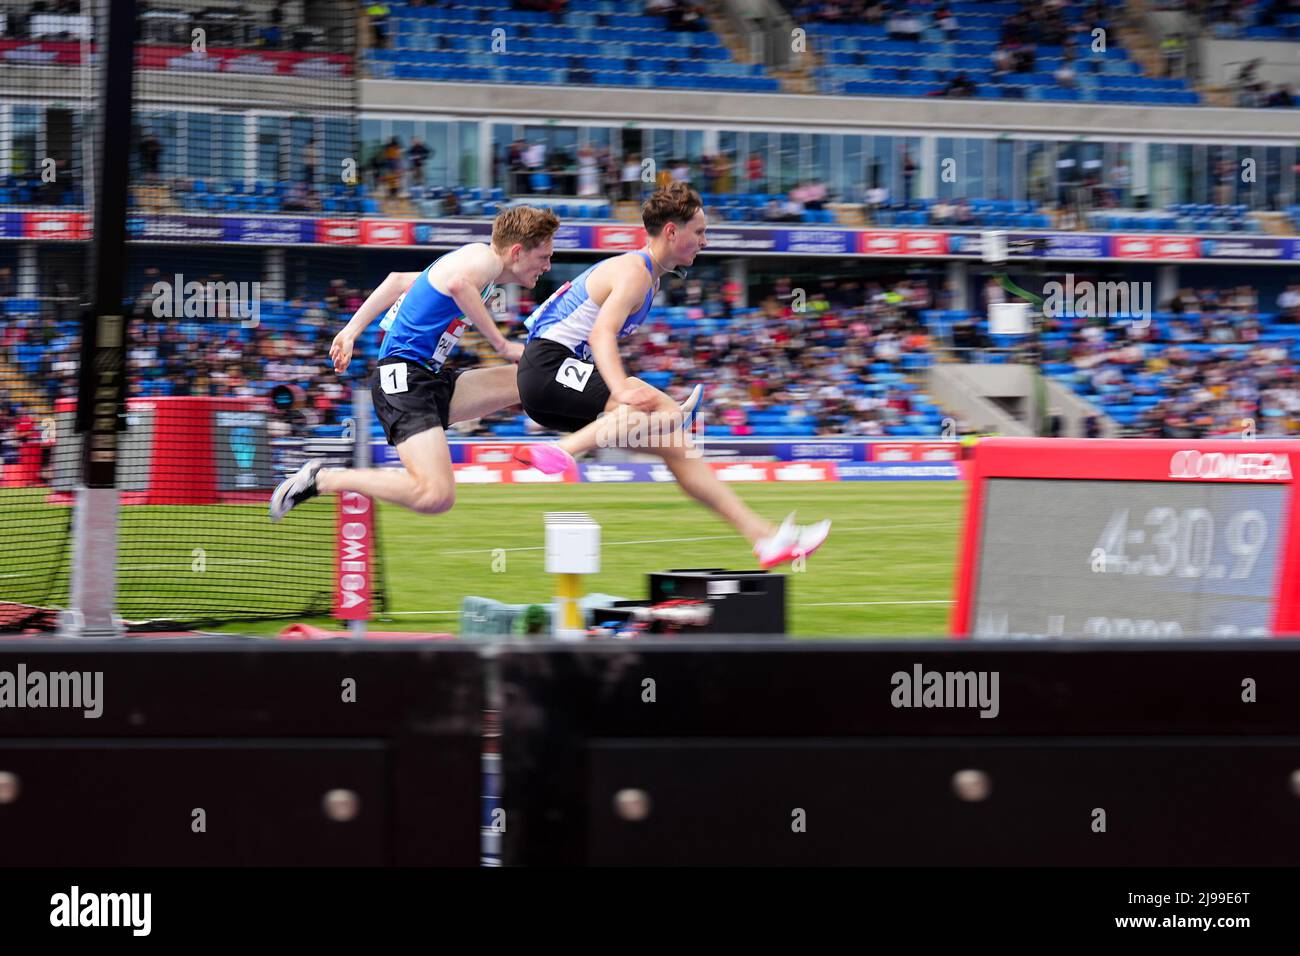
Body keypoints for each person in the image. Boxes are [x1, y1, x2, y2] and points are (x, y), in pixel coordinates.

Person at [511, 182, 831, 570]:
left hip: (553, 375)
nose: (705, 241)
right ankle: (564, 451)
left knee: (678, 446)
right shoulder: (635, 272)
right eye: (699, 232)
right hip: (547, 368)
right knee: (649, 404)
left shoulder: (652, 279)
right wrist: (620, 390)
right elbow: (600, 335)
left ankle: (763, 537)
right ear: (671, 232)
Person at [269, 206, 559, 521]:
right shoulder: (484, 260)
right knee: (435, 495)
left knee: (529, 376)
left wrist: (351, 330)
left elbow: (396, 282)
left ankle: (587, 425)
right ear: (517, 252)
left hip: (426, 377)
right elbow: (459, 285)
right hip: (404, 379)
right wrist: (501, 344)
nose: (547, 266)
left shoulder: (477, 268)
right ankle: (322, 480)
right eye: (544, 257)